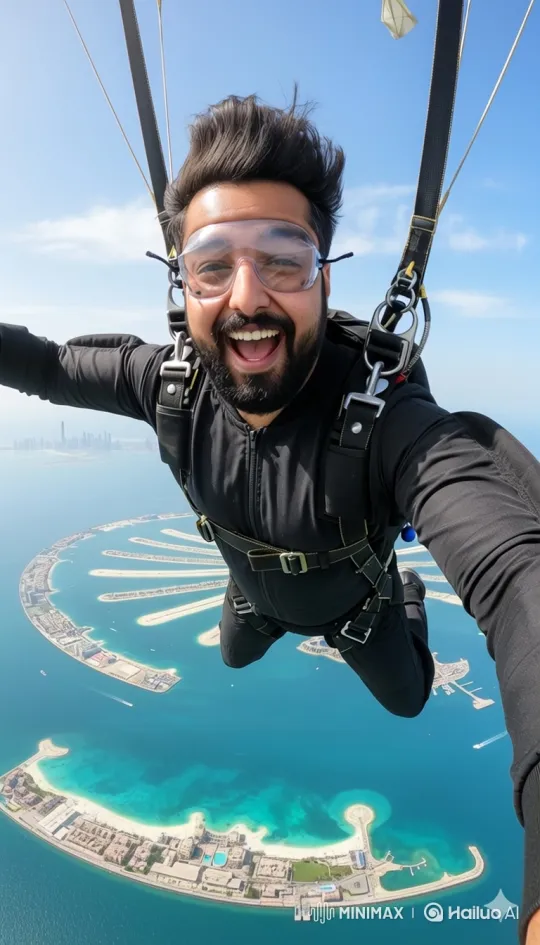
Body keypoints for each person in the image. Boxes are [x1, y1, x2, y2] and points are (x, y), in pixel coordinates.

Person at [2, 93, 540, 943]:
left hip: (359, 608)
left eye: (284, 259)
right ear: (183, 283)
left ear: (326, 271)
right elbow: (42, 363)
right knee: (235, 649)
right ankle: (262, 595)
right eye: (212, 263)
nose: (247, 297)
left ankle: (394, 596)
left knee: (408, 701)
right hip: (253, 593)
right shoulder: (168, 387)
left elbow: (519, 576)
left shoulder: (385, 422)